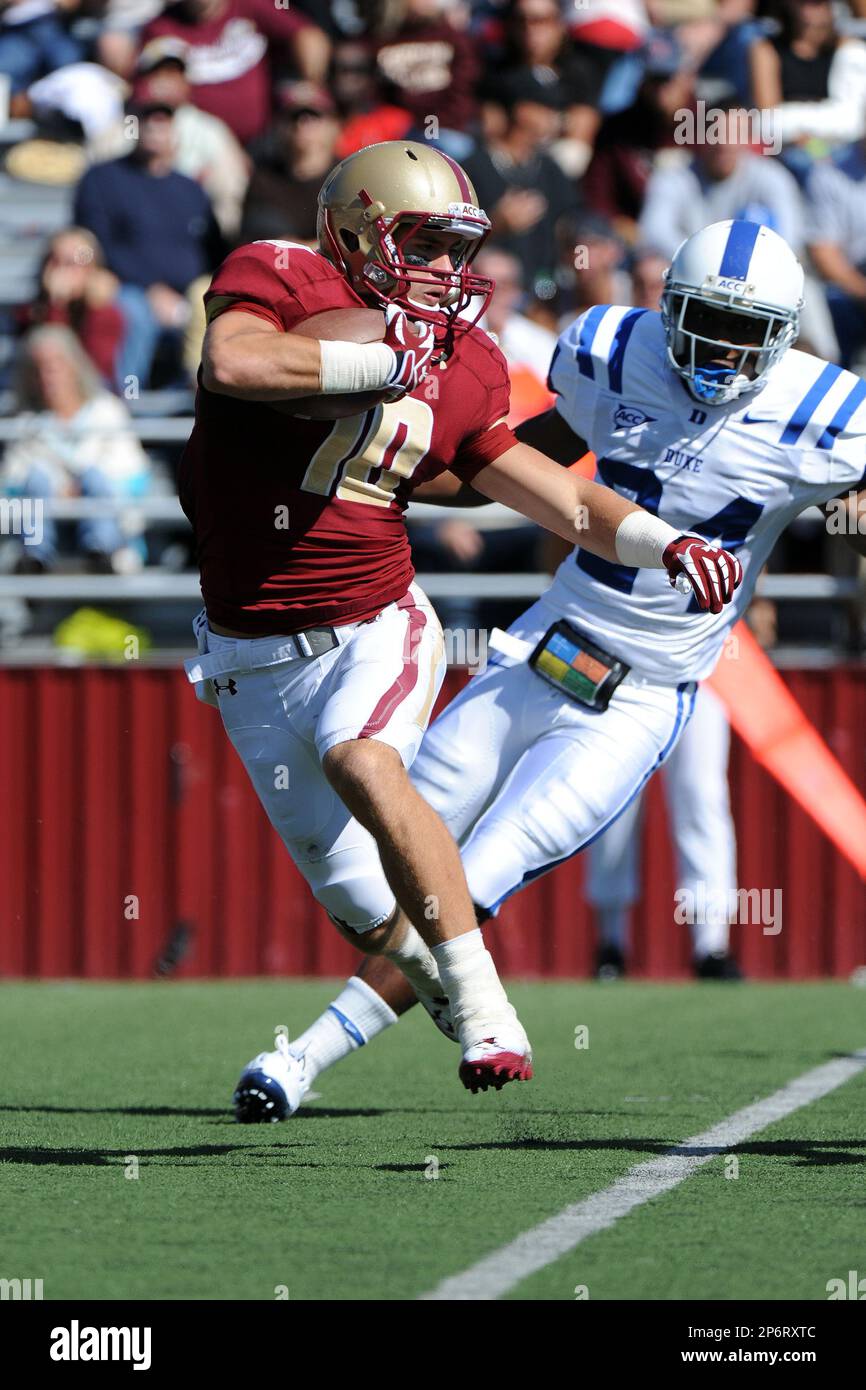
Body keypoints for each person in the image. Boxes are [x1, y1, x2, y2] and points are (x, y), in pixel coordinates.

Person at [256, 217, 866, 1119]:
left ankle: (303, 1059)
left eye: (749, 334)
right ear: (669, 309)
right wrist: (394, 473)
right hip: (543, 649)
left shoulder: (828, 418)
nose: (726, 352)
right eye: (709, 322)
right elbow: (515, 462)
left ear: (783, 337)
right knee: (397, 852)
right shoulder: (610, 351)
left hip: (645, 696)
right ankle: (433, 1013)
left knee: (482, 873)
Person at [177, 141, 740, 1115]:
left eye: (454, 247)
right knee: (359, 908)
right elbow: (232, 361)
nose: (445, 267)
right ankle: (439, 986)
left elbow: (546, 494)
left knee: (363, 760)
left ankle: (485, 1008)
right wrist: (379, 361)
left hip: (372, 622)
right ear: (355, 232)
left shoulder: (465, 360)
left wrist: (658, 542)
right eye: (424, 243)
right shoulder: (277, 272)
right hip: (248, 655)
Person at [73, 85, 224, 389]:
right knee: (134, 315)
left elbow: (211, 249)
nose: (156, 127)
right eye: (146, 119)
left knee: (214, 309)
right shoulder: (102, 179)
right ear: (131, 125)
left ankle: (202, 402)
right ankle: (123, 406)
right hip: (126, 288)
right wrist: (152, 290)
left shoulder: (190, 189)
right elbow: (97, 243)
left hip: (187, 293)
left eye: (164, 119)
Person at [588, 683, 740, 980]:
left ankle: (711, 947)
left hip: (703, 671)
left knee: (702, 797)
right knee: (614, 802)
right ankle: (611, 944)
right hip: (628, 672)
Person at [2, 325, 151, 573]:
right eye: (38, 368)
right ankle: (35, 560)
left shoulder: (107, 411)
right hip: (49, 523)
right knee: (36, 480)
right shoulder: (24, 424)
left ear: (74, 365)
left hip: (106, 522)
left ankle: (100, 554)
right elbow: (11, 484)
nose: (47, 376)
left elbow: (133, 475)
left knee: (95, 478)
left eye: (55, 365)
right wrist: (59, 490)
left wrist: (80, 488)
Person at [140, 0, 330, 145]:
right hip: (200, 146)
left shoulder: (250, 7)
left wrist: (310, 84)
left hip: (265, 139)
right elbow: (151, 88)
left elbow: (309, 36)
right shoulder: (161, 26)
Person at [18, 227, 126, 389]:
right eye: (56, 261)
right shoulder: (35, 311)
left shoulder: (107, 313)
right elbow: (45, 362)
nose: (64, 272)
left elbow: (96, 371)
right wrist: (55, 306)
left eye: (77, 261)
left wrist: (97, 309)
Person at [239, 82, 340, 246]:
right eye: (294, 117)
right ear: (279, 126)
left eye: (314, 117)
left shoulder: (346, 176)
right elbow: (254, 241)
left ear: (335, 125)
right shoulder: (264, 180)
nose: (303, 124)